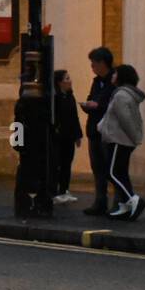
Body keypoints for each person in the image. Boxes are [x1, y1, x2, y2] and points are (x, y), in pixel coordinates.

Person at [99, 64, 145, 220]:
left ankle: (133, 199)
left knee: (111, 173)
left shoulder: (121, 95)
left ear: (121, 77)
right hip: (122, 139)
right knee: (121, 173)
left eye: (115, 74)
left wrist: (134, 137)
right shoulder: (127, 94)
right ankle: (125, 207)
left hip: (119, 139)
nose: (112, 76)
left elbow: (125, 119)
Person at [80, 46, 116, 215]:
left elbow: (115, 104)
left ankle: (119, 203)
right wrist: (88, 105)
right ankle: (100, 202)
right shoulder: (96, 81)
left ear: (102, 63)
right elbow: (91, 98)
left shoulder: (115, 80)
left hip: (108, 132)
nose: (92, 67)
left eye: (93, 63)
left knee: (111, 170)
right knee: (98, 169)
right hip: (94, 130)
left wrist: (98, 105)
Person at [52, 69, 82, 203]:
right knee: (57, 163)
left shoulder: (70, 97)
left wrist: (77, 135)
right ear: (59, 82)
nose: (70, 81)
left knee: (67, 164)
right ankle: (55, 191)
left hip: (69, 136)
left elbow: (74, 117)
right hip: (58, 136)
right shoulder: (55, 98)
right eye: (66, 79)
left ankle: (64, 190)